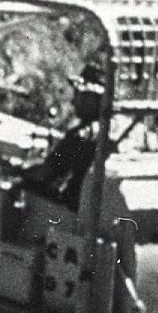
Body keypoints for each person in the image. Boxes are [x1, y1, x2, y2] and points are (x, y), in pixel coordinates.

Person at [18, 64, 104, 208]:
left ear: (93, 98)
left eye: (80, 95)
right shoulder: (124, 131)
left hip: (74, 210)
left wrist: (19, 170)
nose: (74, 102)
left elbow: (46, 174)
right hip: (96, 207)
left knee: (16, 189)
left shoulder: (81, 135)